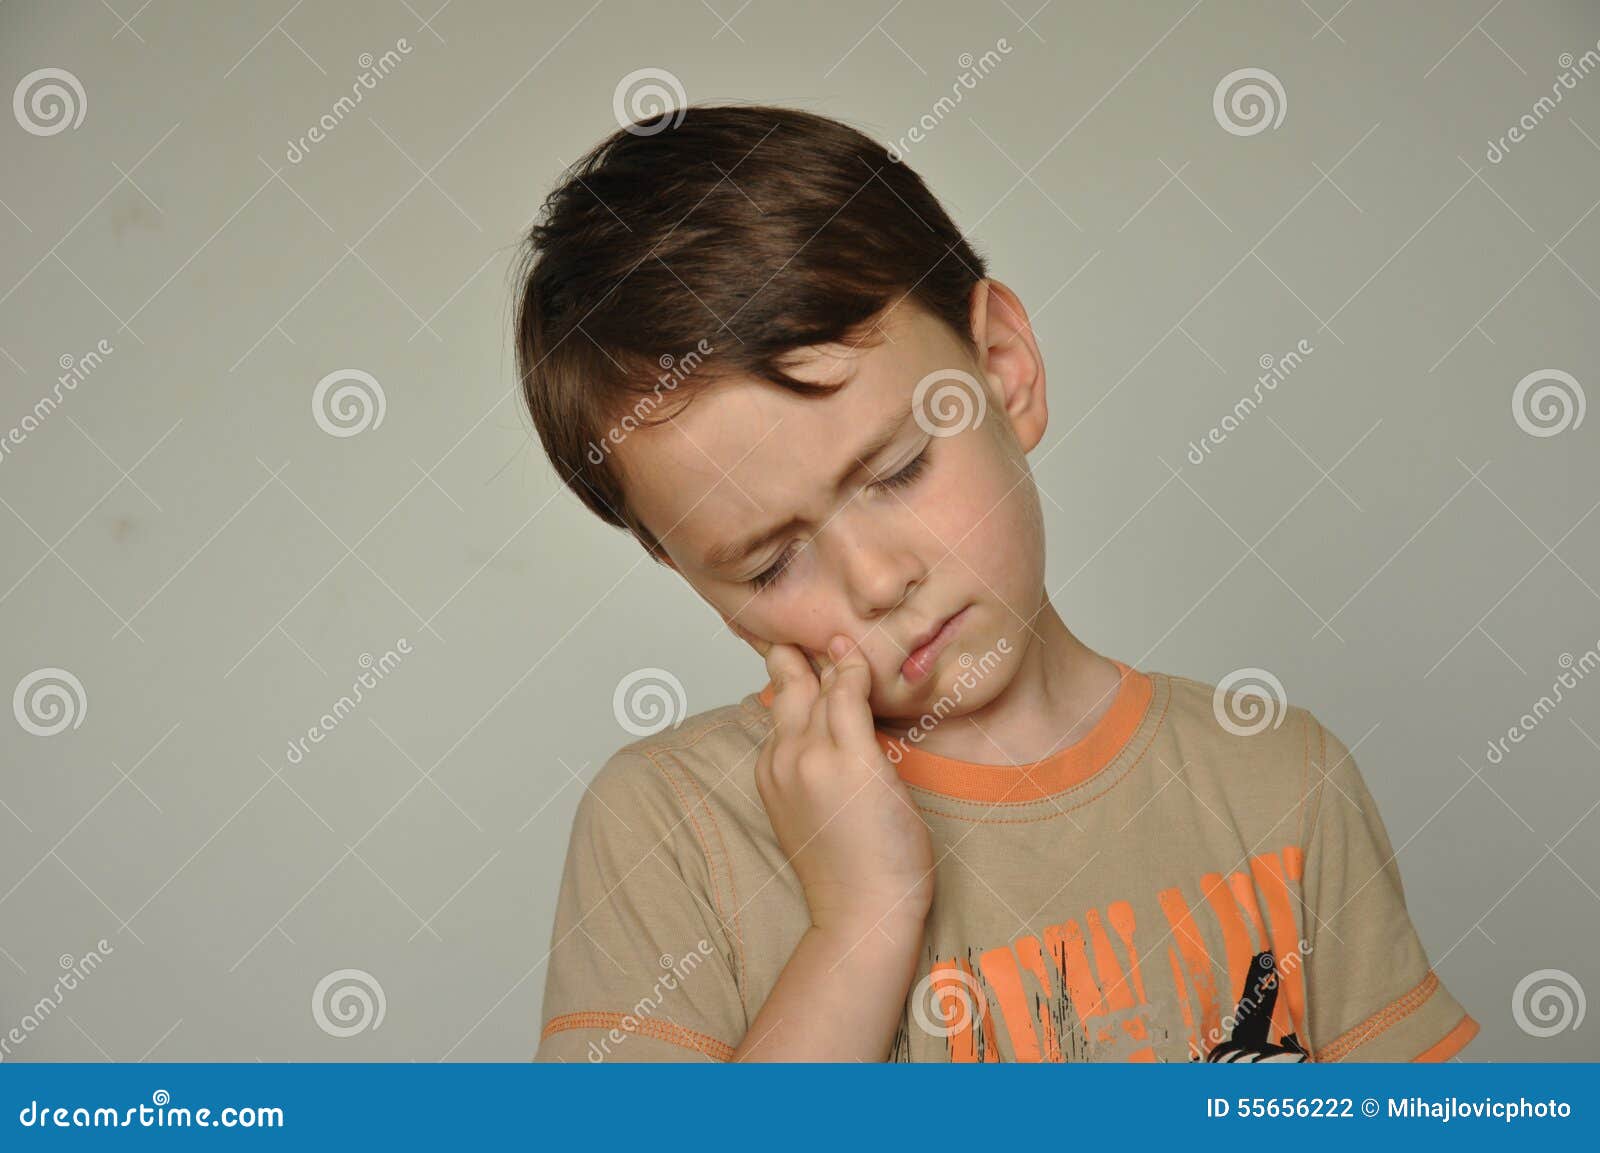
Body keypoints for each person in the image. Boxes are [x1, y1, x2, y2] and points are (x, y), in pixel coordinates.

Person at [512, 103, 1478, 1062]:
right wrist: (858, 925)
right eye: (770, 562)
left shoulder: (1278, 780)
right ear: (687, 576)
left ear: (1004, 367)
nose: (880, 580)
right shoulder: (671, 833)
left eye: (897, 471)